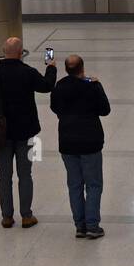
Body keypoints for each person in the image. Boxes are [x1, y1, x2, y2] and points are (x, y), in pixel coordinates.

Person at [0, 38, 56, 229]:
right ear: (21, 53)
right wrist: (51, 66)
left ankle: (7, 217)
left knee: (4, 175)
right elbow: (47, 85)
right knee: (25, 174)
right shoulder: (27, 73)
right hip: (25, 132)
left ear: (3, 52)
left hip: (0, 134)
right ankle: (26, 216)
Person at [50, 55, 111, 240]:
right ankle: (93, 225)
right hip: (90, 141)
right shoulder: (91, 85)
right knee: (93, 184)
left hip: (68, 142)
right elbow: (105, 110)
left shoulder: (60, 86)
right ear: (82, 68)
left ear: (66, 69)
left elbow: (54, 108)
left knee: (75, 185)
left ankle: (80, 225)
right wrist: (97, 84)